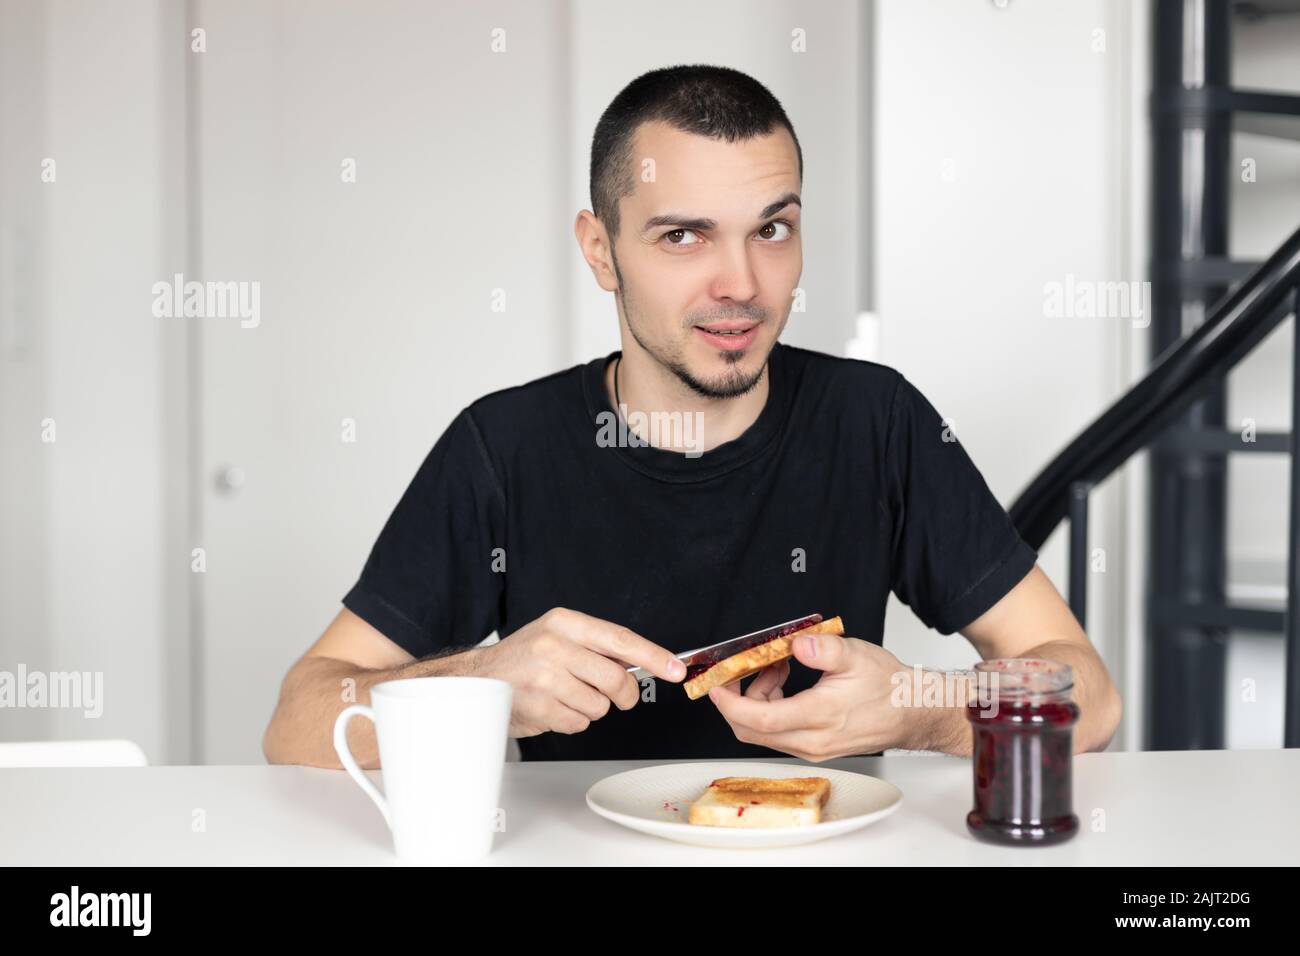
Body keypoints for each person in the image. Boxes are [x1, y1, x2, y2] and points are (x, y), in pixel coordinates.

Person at [263, 64, 1121, 768]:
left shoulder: (877, 422)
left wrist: (922, 710)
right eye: (684, 237)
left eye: (771, 229)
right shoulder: (505, 447)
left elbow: (1090, 695)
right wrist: (483, 686)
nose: (741, 284)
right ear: (601, 250)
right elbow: (299, 723)